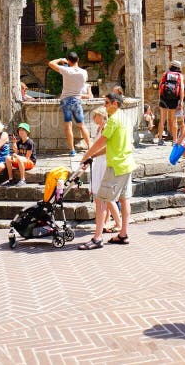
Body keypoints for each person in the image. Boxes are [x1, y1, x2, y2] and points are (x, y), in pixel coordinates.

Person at [78, 93, 136, 250]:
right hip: (127, 164)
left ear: (115, 104)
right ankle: (123, 234)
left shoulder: (113, 120)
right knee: (124, 199)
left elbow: (101, 142)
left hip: (115, 165)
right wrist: (93, 156)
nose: (105, 106)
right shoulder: (126, 118)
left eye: (107, 103)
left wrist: (85, 156)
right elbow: (109, 145)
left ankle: (97, 239)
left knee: (101, 200)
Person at [49, 52, 92, 156]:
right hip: (77, 100)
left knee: (68, 125)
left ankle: (72, 150)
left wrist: (60, 59)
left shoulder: (66, 70)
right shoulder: (84, 72)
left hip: (66, 100)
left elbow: (51, 63)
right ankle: (90, 146)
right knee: (82, 125)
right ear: (78, 60)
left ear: (68, 60)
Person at [89, 106, 122, 233]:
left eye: (96, 116)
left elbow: (107, 147)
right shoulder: (99, 128)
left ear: (103, 116)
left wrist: (93, 155)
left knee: (106, 196)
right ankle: (106, 221)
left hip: (104, 162)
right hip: (99, 162)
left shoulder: (106, 128)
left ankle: (118, 222)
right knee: (102, 196)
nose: (93, 118)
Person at [156, 60, 184, 146]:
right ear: (178, 67)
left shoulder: (165, 74)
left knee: (162, 119)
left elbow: (160, 86)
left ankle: (160, 139)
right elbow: (182, 89)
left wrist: (160, 98)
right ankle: (174, 140)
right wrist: (181, 101)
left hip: (164, 98)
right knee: (173, 120)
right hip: (174, 99)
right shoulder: (179, 76)